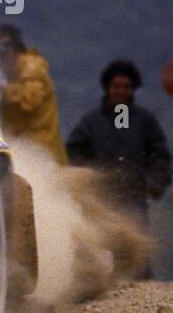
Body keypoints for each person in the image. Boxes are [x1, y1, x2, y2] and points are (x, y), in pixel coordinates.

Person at [66, 59, 172, 221]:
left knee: (132, 241)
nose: (121, 91)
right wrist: (89, 176)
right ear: (108, 88)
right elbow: (74, 150)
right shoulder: (92, 121)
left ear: (132, 89)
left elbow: (160, 157)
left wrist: (153, 183)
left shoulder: (145, 121)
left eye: (126, 87)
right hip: (100, 199)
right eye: (116, 86)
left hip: (134, 199)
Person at [0, 24, 67, 163]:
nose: (1, 58)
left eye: (3, 50)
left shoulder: (32, 68)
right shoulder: (16, 77)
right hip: (28, 154)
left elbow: (29, 100)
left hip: (43, 157)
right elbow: (13, 110)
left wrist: (0, 85)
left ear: (15, 48)